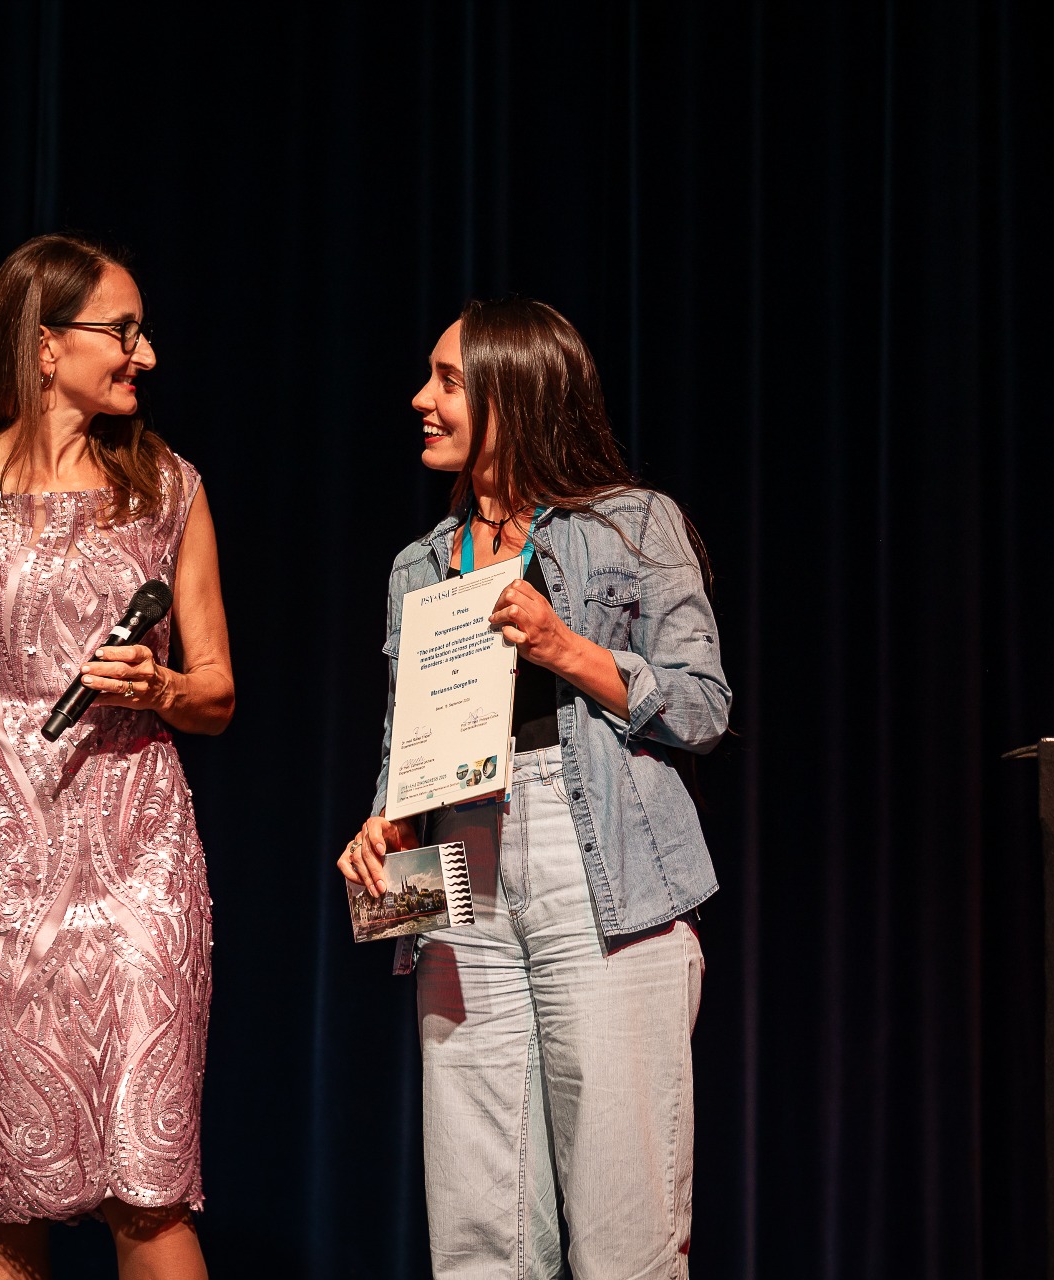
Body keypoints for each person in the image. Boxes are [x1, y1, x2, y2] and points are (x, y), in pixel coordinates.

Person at [339, 297, 730, 1278]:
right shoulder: (419, 563)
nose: (421, 399)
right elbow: (409, 741)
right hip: (456, 860)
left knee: (623, 1229)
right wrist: (383, 824)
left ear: (516, 391)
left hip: (599, 862)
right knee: (478, 1235)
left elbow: (704, 706)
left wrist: (566, 645)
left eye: (448, 380)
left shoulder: (635, 524)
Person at [0, 233, 233, 1279]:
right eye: (123, 331)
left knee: (149, 1184)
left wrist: (161, 687)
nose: (146, 353)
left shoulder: (169, 485)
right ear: (46, 345)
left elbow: (216, 689)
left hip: (141, 866)